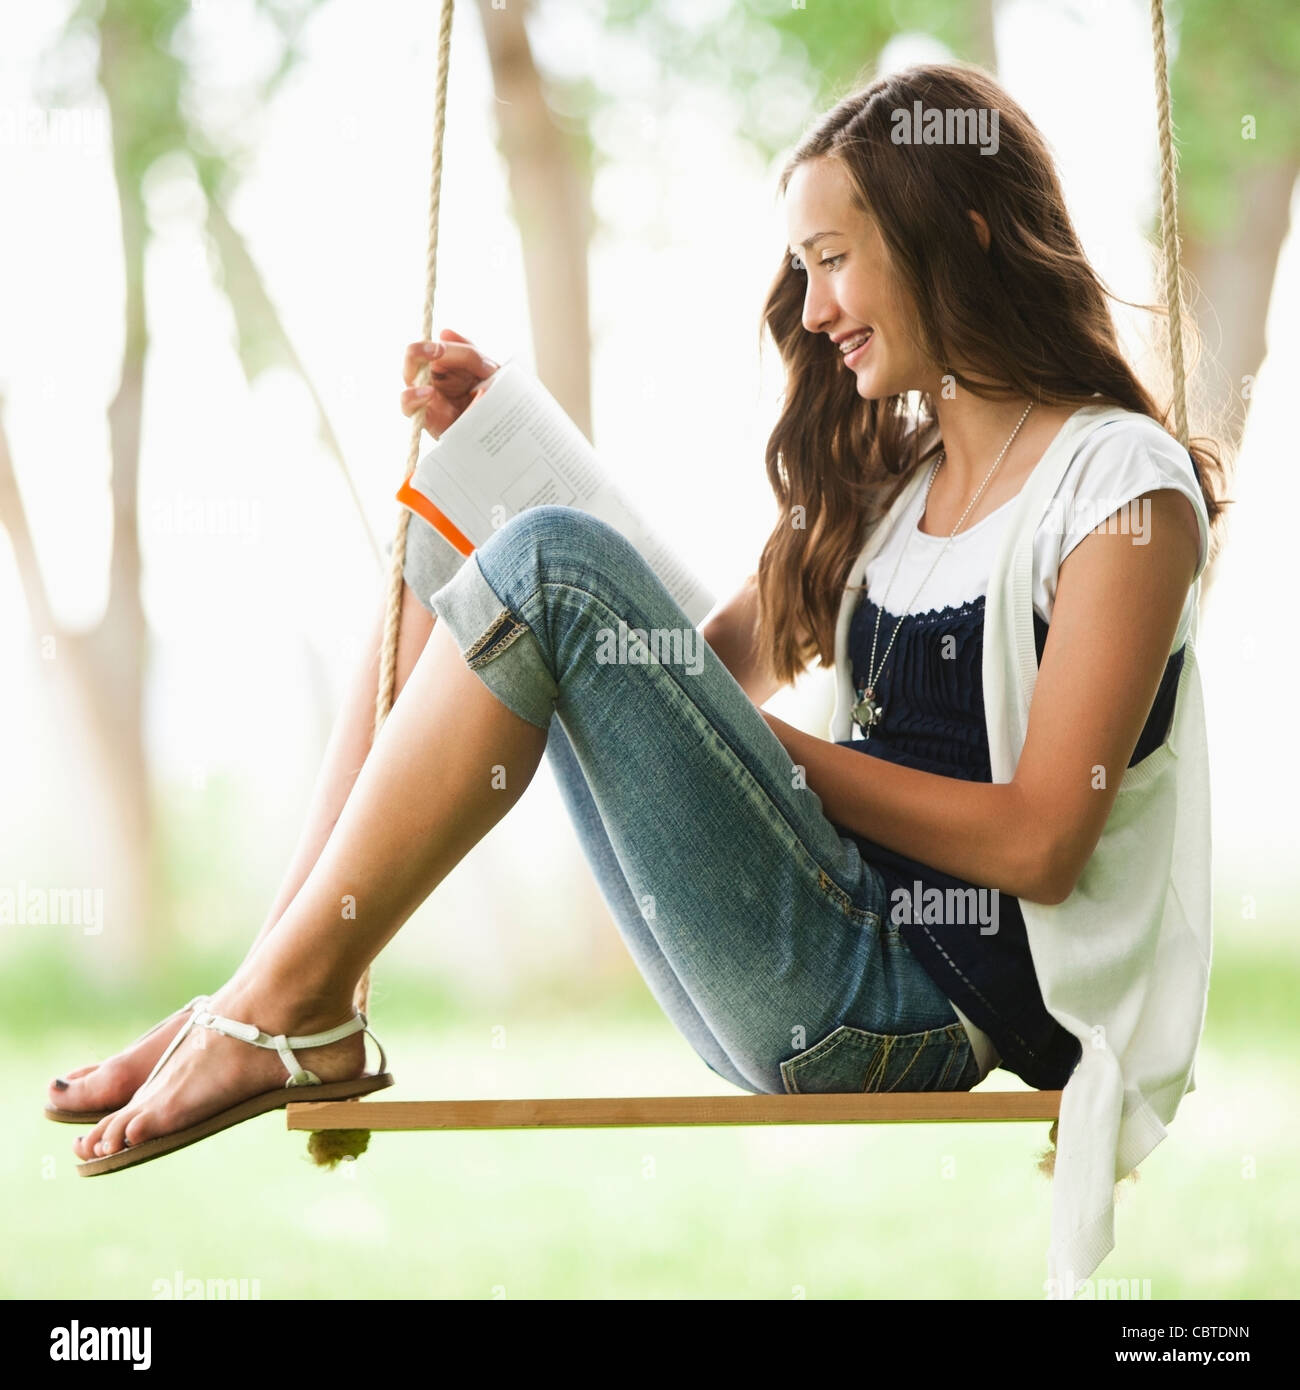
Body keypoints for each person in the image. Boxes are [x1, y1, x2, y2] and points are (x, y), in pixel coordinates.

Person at [47, 63, 1223, 1209]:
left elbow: (1039, 842)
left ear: (956, 236)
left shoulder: (1116, 486)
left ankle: (276, 1012)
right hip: (799, 938)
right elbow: (685, 673)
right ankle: (285, 993)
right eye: (801, 270)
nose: (812, 311)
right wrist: (513, 443)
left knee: (549, 566)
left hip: (898, 1000)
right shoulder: (888, 477)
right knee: (458, 543)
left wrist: (770, 752)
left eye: (831, 263)